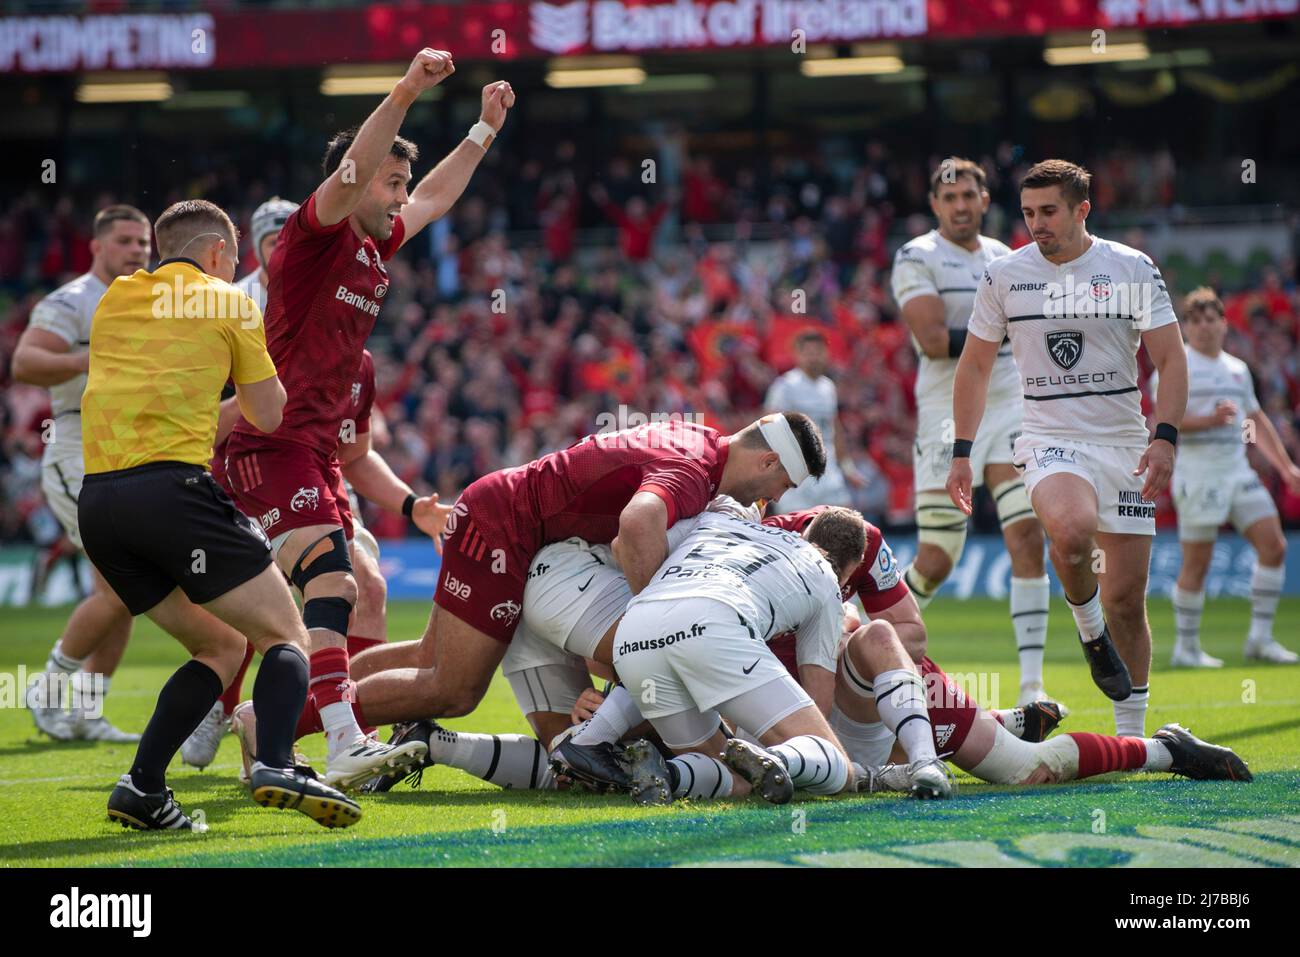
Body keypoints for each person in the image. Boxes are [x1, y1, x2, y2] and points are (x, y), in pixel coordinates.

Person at [221, 48, 514, 788]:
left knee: (340, 587)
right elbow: (355, 171)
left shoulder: (375, 245)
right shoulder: (313, 238)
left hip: (313, 450)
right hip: (269, 441)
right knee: (333, 578)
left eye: (402, 182)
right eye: (392, 180)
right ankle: (338, 735)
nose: (401, 193)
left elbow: (439, 199)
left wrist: (482, 132)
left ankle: (278, 730)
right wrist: (409, 89)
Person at [78, 199, 373, 830]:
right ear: (216, 253)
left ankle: (142, 788)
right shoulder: (231, 302)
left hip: (100, 505)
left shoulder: (115, 299)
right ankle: (275, 762)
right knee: (285, 634)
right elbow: (268, 415)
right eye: (235, 254)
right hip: (174, 493)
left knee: (218, 645)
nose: (238, 265)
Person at [344, 413, 827, 732]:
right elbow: (637, 524)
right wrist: (654, 624)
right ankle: (290, 722)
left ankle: (316, 694)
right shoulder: (694, 469)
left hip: (504, 512)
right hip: (505, 528)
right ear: (766, 460)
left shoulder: (699, 437)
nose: (776, 499)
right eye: (781, 483)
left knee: (430, 654)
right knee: (454, 691)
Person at [947, 159, 1188, 737]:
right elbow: (974, 366)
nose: (1037, 224)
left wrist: (1166, 438)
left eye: (1049, 212)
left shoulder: (1131, 268)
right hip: (1050, 439)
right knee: (1071, 530)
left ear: (1083, 209)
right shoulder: (1005, 275)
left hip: (1124, 443)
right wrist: (960, 450)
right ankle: (1087, 628)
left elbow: (1171, 358)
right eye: (1028, 213)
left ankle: (1130, 735)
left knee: (1128, 598)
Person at [891, 157, 1053, 705]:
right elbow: (935, 341)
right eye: (949, 197)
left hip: (1010, 403)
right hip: (946, 411)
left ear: (985, 201)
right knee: (937, 558)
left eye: (969, 196)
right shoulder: (916, 256)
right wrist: (1007, 330)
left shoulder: (1006, 258)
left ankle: (1033, 687)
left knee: (1028, 535)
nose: (960, 205)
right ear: (935, 206)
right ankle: (871, 639)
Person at [15, 204, 152, 743]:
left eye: (143, 242)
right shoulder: (72, 300)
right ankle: (49, 690)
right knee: (123, 587)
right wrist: (87, 359)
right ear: (96, 246)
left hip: (129, 448)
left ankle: (85, 713)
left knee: (122, 592)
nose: (138, 251)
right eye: (125, 241)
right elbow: (24, 363)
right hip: (77, 445)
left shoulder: (147, 301)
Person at [1166, 287, 1299, 666]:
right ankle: (1186, 648)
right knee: (1198, 563)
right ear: (1186, 327)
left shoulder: (1237, 370)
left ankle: (1260, 638)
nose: (1205, 327)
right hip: (1198, 474)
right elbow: (1163, 421)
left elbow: (1254, 422)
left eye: (1212, 319)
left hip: (1237, 471)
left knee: (1274, 546)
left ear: (1224, 324)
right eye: (1196, 320)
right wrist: (1208, 420)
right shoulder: (1177, 365)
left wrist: (1285, 466)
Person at [763, 329, 864, 512]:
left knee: (842, 523)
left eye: (818, 352)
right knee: (797, 530)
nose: (814, 358)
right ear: (798, 355)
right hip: (796, 472)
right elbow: (768, 426)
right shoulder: (786, 386)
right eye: (808, 353)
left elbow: (834, 427)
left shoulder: (828, 387)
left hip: (827, 468)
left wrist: (848, 468)